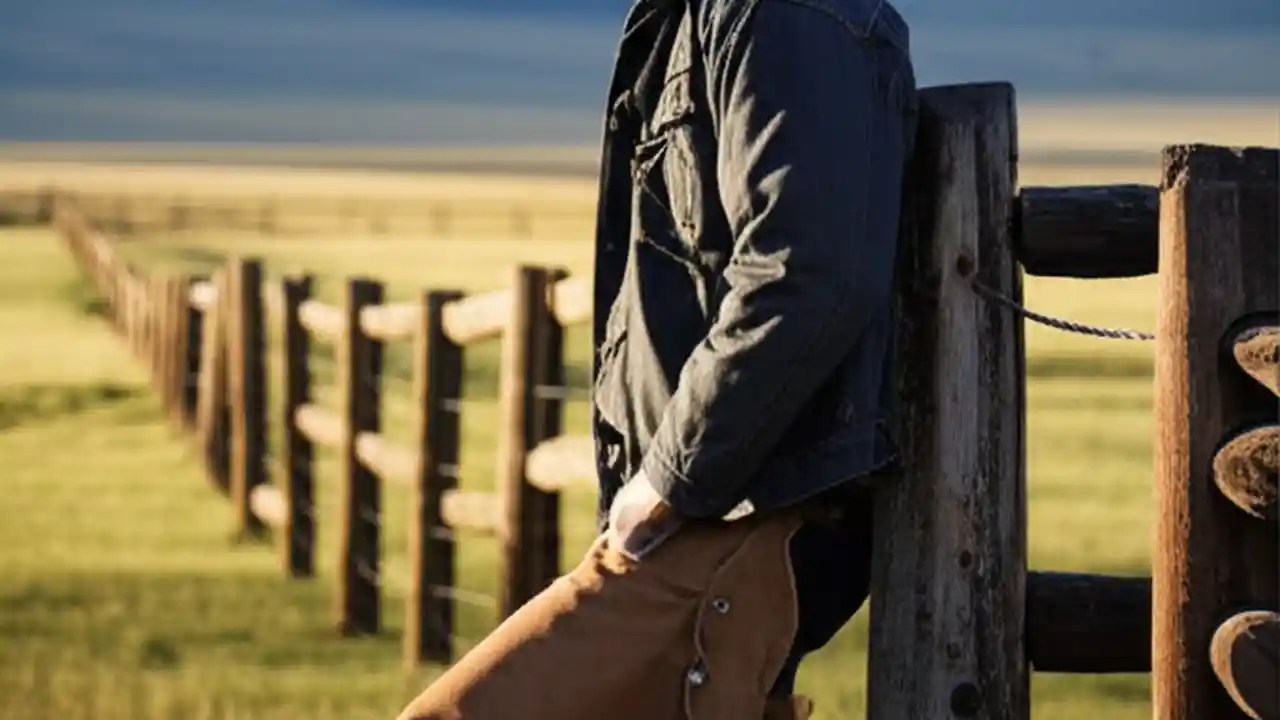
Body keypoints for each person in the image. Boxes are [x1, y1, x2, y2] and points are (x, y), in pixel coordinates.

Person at [397, 0, 916, 716]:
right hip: (702, 516)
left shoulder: (783, 13)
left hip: (735, 518)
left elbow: (809, 276)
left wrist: (668, 480)